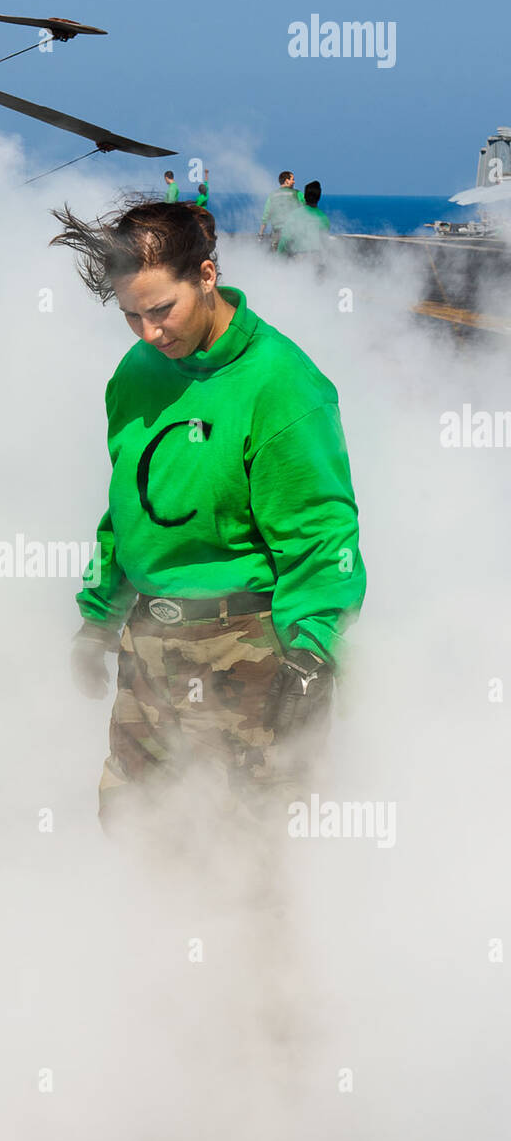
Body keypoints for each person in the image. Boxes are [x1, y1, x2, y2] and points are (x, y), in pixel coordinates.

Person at [50, 199, 365, 842]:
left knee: (252, 846)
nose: (149, 333)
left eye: (161, 309)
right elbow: (127, 505)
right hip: (148, 643)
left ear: (207, 275)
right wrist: (98, 617)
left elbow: (322, 535)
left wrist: (314, 655)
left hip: (248, 651)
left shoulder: (283, 385)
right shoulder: (138, 372)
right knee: (136, 828)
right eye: (130, 315)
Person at [276, 179, 330, 260]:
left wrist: (278, 258)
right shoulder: (324, 218)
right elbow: (324, 243)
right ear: (319, 197)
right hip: (317, 259)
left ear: (304, 196)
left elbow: (285, 239)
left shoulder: (294, 215)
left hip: (298, 259)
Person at [258, 170, 302, 248]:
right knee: (292, 258)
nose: (294, 182)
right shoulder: (297, 194)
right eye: (292, 179)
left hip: (276, 234)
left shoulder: (272, 195)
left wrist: (260, 234)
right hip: (293, 234)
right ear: (286, 181)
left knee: (276, 258)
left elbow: (266, 216)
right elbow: (307, 210)